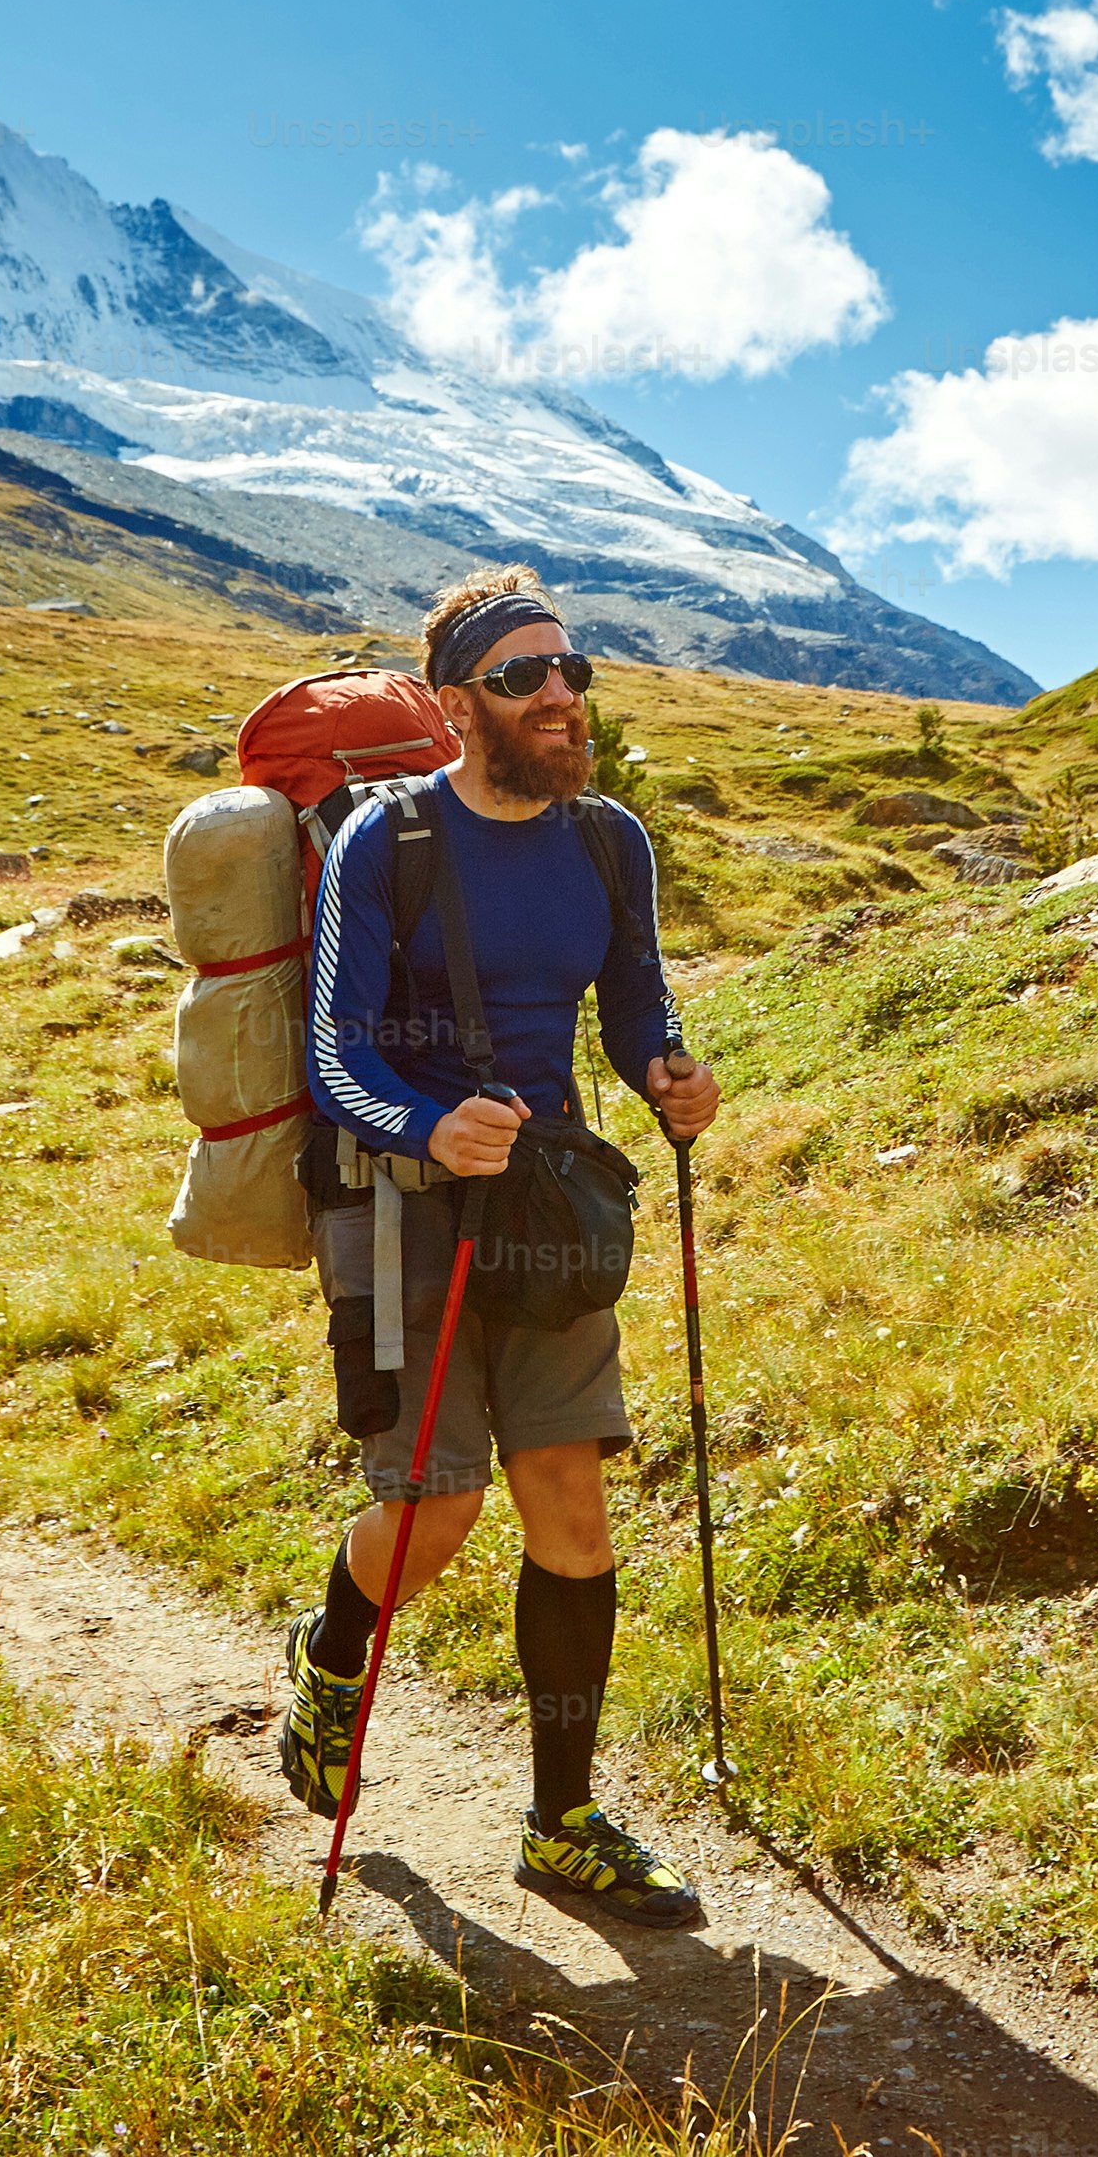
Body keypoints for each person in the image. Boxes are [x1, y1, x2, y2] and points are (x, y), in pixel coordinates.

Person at [282, 568, 723, 1927]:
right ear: (460, 704)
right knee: (436, 1507)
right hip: (398, 1204)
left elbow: (635, 1000)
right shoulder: (388, 841)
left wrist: (667, 1071)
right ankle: (334, 1654)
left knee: (573, 1508)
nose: (561, 697)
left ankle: (563, 1822)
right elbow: (333, 1052)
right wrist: (429, 1125)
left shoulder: (610, 840)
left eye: (571, 671)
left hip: (547, 1206)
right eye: (525, 676)